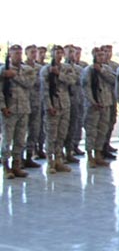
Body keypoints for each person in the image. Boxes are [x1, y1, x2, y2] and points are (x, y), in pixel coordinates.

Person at [40, 45, 79, 174]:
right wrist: (48, 106)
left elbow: (73, 80)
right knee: (51, 135)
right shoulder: (46, 70)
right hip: (53, 106)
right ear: (51, 54)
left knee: (62, 134)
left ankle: (58, 160)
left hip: (65, 105)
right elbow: (44, 90)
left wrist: (59, 74)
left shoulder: (66, 68)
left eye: (61, 53)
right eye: (56, 53)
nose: (59, 55)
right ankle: (50, 162)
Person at [2, 45, 37, 178]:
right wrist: (3, 107)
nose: (18, 55)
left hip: (24, 109)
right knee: (7, 140)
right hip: (9, 110)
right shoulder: (3, 71)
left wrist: (14, 75)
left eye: (19, 53)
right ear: (10, 55)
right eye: (15, 53)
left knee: (20, 140)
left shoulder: (27, 70)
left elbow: (29, 83)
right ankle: (6, 167)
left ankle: (17, 165)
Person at [81, 47, 115, 168]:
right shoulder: (88, 70)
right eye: (99, 55)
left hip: (105, 104)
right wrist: (93, 102)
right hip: (93, 106)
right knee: (92, 131)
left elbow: (114, 80)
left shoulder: (106, 69)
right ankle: (90, 156)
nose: (102, 57)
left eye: (103, 55)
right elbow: (86, 88)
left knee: (102, 130)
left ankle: (98, 154)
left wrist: (101, 71)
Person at [23, 44, 43, 167]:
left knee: (34, 131)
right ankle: (18, 159)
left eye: (35, 52)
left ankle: (29, 156)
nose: (34, 54)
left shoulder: (40, 68)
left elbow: (43, 84)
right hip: (23, 103)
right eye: (31, 52)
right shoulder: (21, 67)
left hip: (36, 102)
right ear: (26, 53)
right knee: (21, 133)